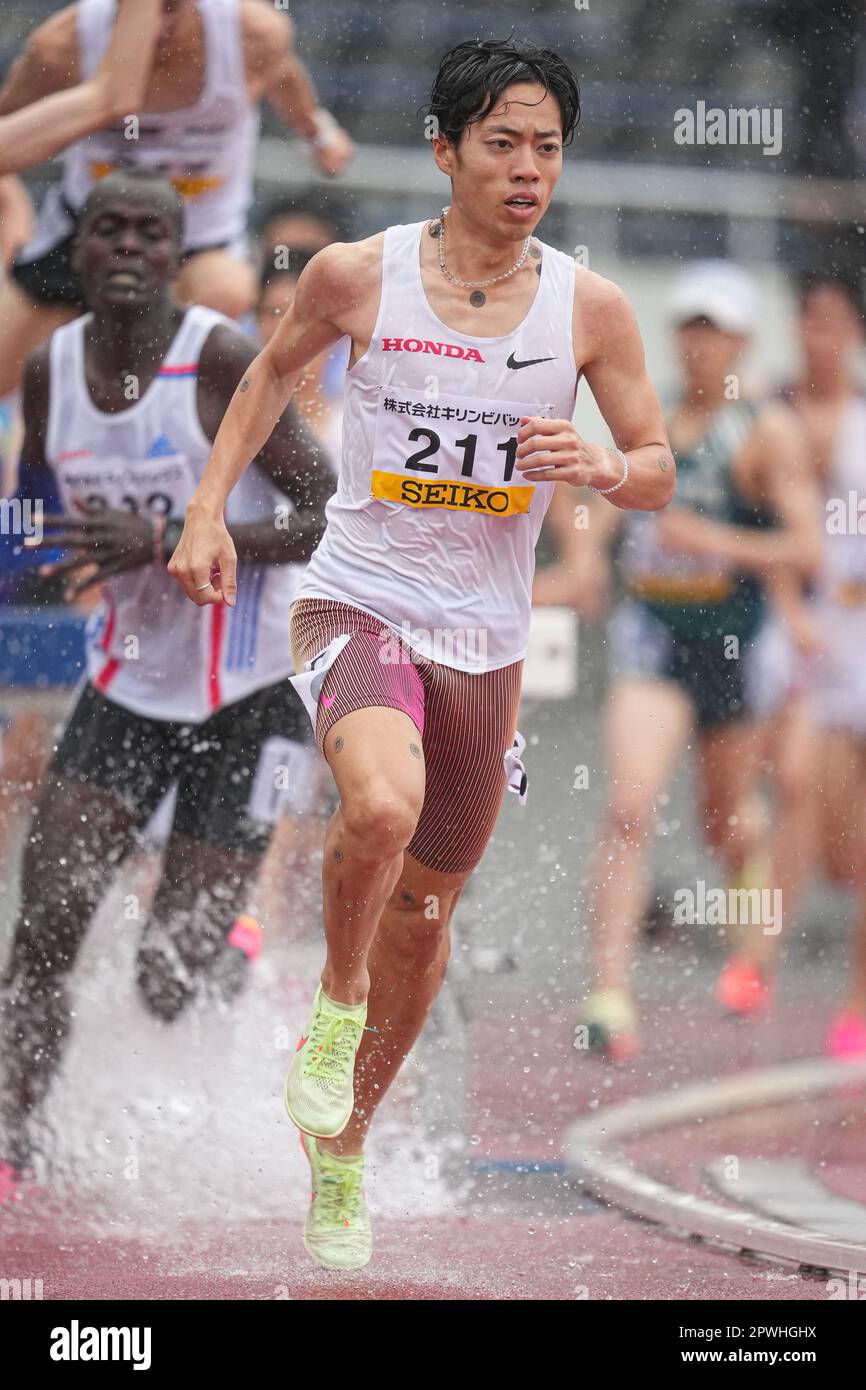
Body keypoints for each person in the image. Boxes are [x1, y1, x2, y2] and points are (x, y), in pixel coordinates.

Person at [169, 36, 674, 1269]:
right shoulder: (357, 275)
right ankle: (330, 1009)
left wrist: (602, 466)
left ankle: (341, 1151)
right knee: (378, 810)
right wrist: (202, 511)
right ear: (444, 149)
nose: (526, 168)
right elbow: (262, 380)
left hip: (484, 646)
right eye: (500, 142)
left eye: (546, 146)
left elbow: (652, 464)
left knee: (427, 917)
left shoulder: (587, 306)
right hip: (359, 603)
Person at [0, 169, 332, 1202]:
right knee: (44, 919)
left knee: (168, 967)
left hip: (255, 697)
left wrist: (177, 535)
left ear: (181, 251)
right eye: (111, 230)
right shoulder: (51, 369)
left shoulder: (218, 358)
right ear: (83, 250)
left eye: (155, 231)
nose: (132, 247)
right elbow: (30, 514)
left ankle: (245, 994)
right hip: (128, 688)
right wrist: (31, 562)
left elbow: (325, 511)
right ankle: (13, 1143)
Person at [550, 261, 821, 1060]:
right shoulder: (651, 417)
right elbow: (597, 499)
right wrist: (588, 556)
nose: (699, 344)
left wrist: (714, 541)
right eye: (688, 327)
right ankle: (608, 994)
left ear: (740, 341)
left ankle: (752, 941)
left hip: (733, 646)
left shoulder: (765, 431)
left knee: (726, 823)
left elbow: (806, 546)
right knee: (629, 808)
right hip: (654, 641)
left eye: (715, 329)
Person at [0, 0, 355, 396]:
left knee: (227, 289)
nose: (158, 24)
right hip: (85, 233)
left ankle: (160, 413)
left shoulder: (253, 33)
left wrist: (315, 131)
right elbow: (9, 123)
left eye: (171, 9)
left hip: (199, 239)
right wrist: (11, 207)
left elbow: (282, 71)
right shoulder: (62, 44)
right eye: (143, 10)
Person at [718, 272, 866, 1053]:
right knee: (796, 782)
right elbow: (773, 518)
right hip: (804, 632)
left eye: (835, 323)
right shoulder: (771, 413)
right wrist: (790, 604)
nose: (821, 337)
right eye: (810, 320)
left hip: (858, 631)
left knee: (852, 855)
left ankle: (856, 1004)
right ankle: (756, 959)